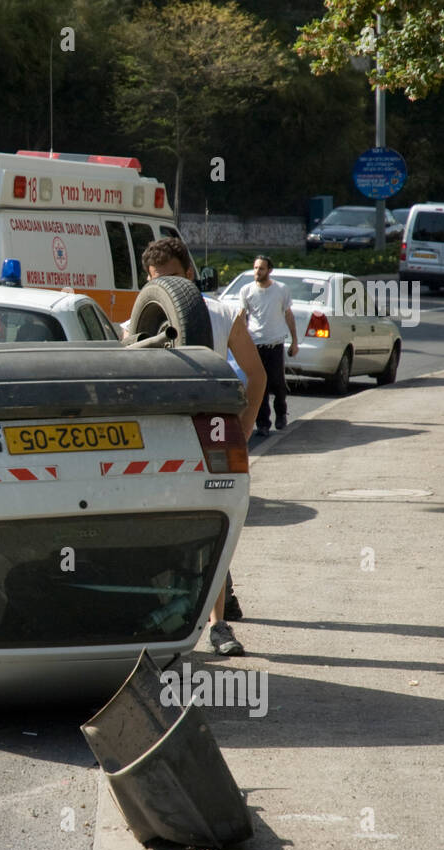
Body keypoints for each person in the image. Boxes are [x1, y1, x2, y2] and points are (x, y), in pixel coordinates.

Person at [132, 237, 265, 655]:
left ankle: (218, 626)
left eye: (172, 276)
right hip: (163, 439)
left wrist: (242, 431)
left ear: (189, 273)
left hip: (213, 435)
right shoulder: (142, 321)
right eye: (157, 280)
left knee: (214, 521)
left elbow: (256, 376)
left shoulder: (224, 314)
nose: (167, 288)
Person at [235, 256, 298, 436]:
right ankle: (263, 423)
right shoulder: (246, 290)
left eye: (261, 268)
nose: (257, 272)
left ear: (269, 270)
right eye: (255, 268)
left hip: (275, 344)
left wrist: (294, 341)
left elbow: (288, 315)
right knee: (259, 384)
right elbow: (242, 316)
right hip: (255, 344)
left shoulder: (281, 290)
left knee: (277, 383)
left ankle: (281, 414)